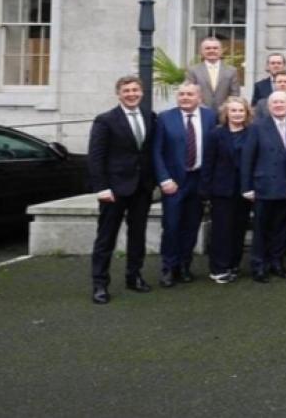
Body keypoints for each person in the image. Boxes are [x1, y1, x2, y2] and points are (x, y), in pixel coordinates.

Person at [88, 76, 156, 304]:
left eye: (135, 90)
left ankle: (134, 276)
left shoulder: (150, 116)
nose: (131, 94)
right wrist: (101, 187)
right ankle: (100, 284)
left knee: (138, 235)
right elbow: (95, 157)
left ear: (141, 92)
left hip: (142, 188)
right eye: (126, 91)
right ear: (118, 94)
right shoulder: (105, 120)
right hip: (114, 189)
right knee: (106, 238)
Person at [152, 82, 216, 287]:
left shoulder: (210, 117)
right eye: (181, 94)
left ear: (199, 97)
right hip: (174, 182)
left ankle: (184, 266)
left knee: (191, 226)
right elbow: (156, 151)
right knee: (171, 226)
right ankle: (168, 268)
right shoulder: (165, 118)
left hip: (199, 180)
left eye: (190, 94)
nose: (185, 97)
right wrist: (164, 179)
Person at [241, 90, 286, 282]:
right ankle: (259, 266)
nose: (279, 105)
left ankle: (277, 263)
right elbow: (247, 158)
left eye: (283, 102)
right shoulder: (257, 126)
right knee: (261, 229)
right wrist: (246, 187)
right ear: (268, 106)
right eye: (275, 103)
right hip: (264, 186)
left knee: (281, 229)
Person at [199, 95, 253, 284]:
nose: (237, 114)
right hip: (222, 190)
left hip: (245, 191)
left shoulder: (252, 133)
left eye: (241, 110)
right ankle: (219, 268)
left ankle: (233, 265)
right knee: (222, 230)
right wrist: (205, 190)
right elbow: (208, 163)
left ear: (247, 113)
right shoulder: (215, 134)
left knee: (239, 229)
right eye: (233, 110)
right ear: (226, 113)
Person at [185, 37, 240, 109]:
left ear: (221, 51)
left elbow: (235, 95)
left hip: (224, 112)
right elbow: (190, 92)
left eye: (215, 48)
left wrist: (225, 109)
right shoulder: (193, 70)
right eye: (207, 48)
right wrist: (203, 109)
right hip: (201, 111)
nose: (212, 50)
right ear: (201, 51)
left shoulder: (231, 70)